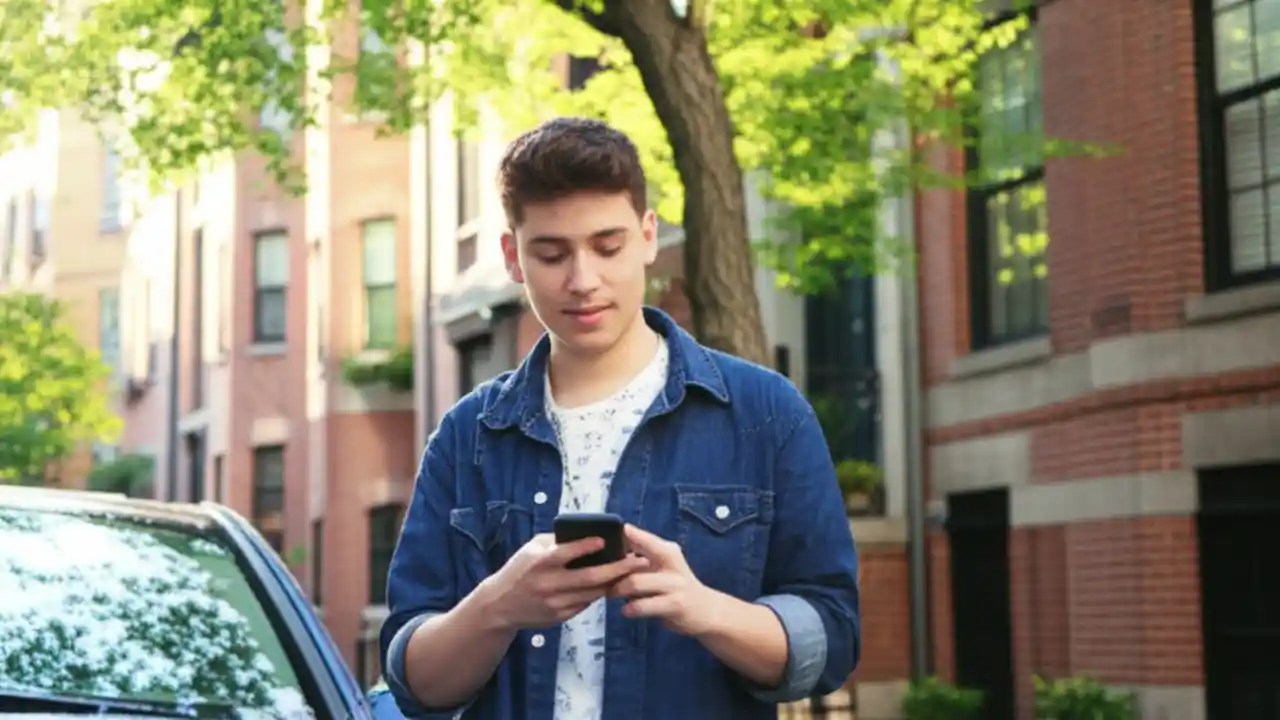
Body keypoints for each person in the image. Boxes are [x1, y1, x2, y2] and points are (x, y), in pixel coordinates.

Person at [379, 117, 860, 720]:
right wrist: (498, 605)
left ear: (648, 236)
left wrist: (707, 611)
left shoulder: (766, 414)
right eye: (551, 254)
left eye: (608, 247)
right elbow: (413, 683)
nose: (583, 281)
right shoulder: (467, 435)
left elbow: (833, 639)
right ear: (512, 257)